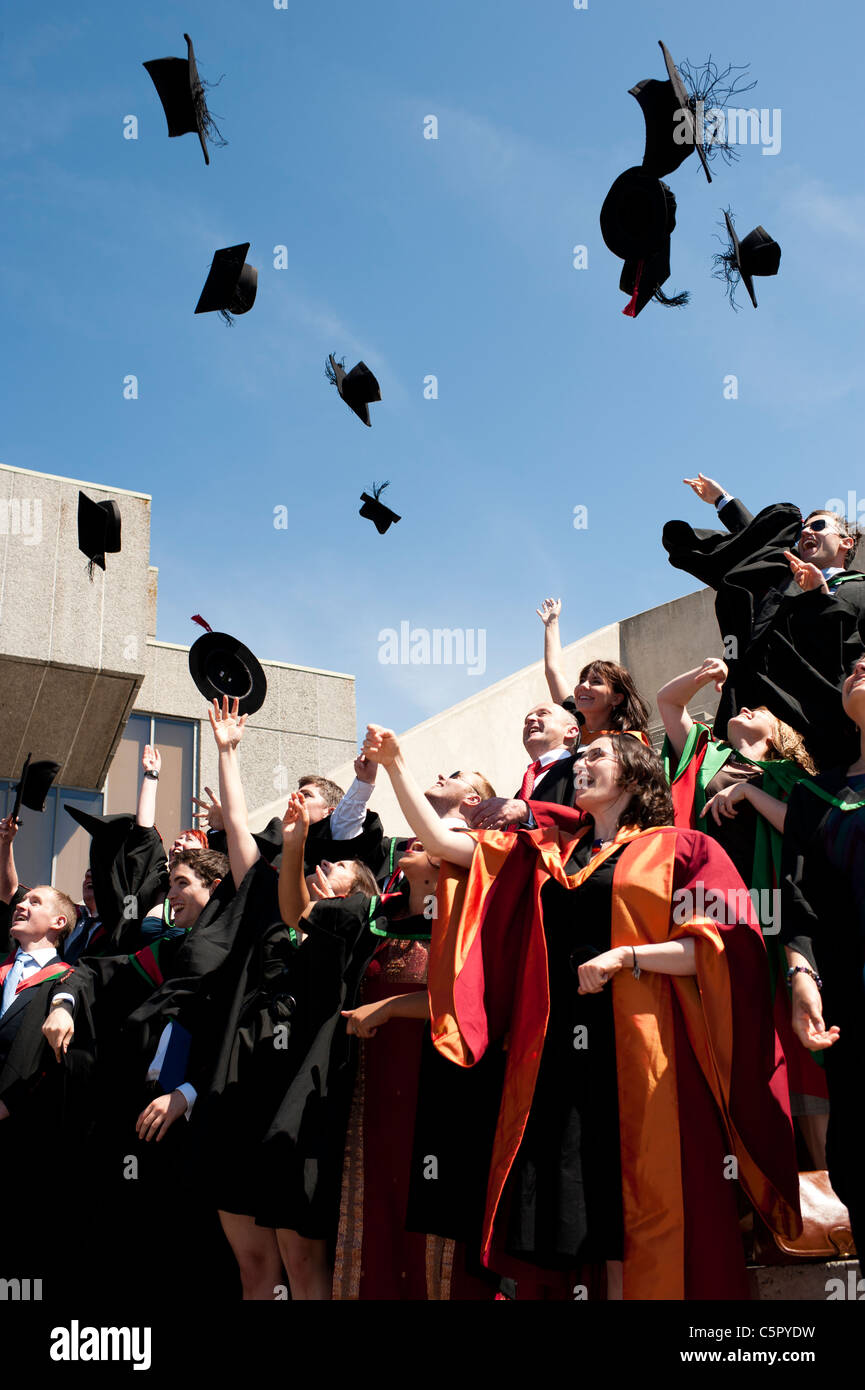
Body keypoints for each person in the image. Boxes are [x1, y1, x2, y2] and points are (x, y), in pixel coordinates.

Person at [361, 723, 801, 1299]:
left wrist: (629, 956)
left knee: (644, 1213)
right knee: (588, 1225)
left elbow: (724, 947)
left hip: (649, 1062)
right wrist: (395, 766)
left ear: (635, 773)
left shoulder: (686, 848)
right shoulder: (551, 852)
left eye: (596, 754)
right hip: (558, 1066)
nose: (582, 763)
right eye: (583, 754)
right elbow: (447, 848)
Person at [178, 696, 380, 1300]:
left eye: (341, 864)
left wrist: (361, 783)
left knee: (302, 1259)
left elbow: (341, 832)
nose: (328, 868)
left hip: (301, 1084)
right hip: (243, 1072)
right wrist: (228, 751)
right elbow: (239, 830)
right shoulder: (267, 890)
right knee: (253, 1265)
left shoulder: (350, 917)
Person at [658, 655, 827, 1164]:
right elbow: (668, 701)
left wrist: (751, 793)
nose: (747, 706)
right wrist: (703, 676)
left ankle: (824, 1186)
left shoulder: (793, 775)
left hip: (781, 912)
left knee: (799, 1037)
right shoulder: (705, 757)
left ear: (782, 732)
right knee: (728, 1038)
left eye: (761, 708)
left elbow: (808, 836)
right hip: (713, 911)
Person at [662, 473, 865, 767]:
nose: (806, 531)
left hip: (820, 718)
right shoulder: (782, 577)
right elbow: (761, 539)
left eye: (818, 526)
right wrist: (722, 500)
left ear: (845, 542)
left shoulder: (858, 589)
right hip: (754, 705)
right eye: (803, 529)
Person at [782, 654, 865, 1255]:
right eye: (852, 664)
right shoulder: (818, 797)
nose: (857, 664)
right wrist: (801, 974)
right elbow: (800, 898)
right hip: (852, 1012)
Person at [537, 598, 652, 744]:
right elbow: (554, 672)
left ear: (616, 698)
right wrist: (551, 624)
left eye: (596, 682)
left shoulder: (629, 742)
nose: (583, 686)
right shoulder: (575, 728)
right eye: (582, 680)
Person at [468, 702, 582, 831]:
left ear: (571, 731)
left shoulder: (584, 765)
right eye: (527, 719)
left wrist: (528, 812)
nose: (530, 719)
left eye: (543, 713)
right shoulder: (519, 795)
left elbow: (593, 819)